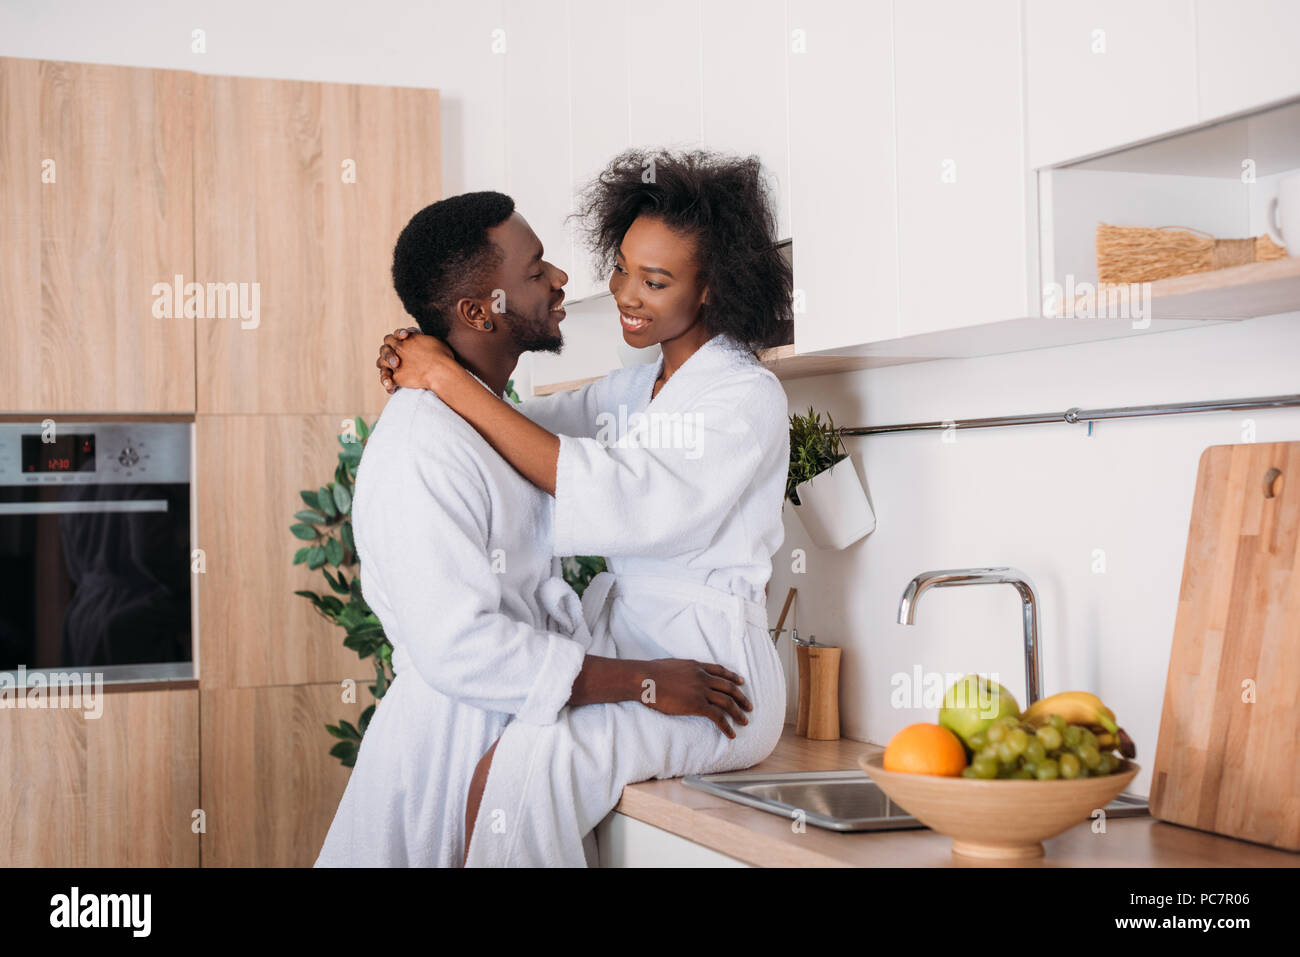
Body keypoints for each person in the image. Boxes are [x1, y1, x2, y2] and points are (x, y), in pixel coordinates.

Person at [376, 148, 792, 866]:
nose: (626, 293)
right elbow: (538, 429)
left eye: (656, 280)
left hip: (719, 680)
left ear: (712, 291)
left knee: (532, 772)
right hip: (640, 650)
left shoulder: (744, 397)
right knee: (508, 762)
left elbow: (622, 495)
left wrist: (445, 375)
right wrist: (442, 373)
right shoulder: (639, 389)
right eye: (624, 267)